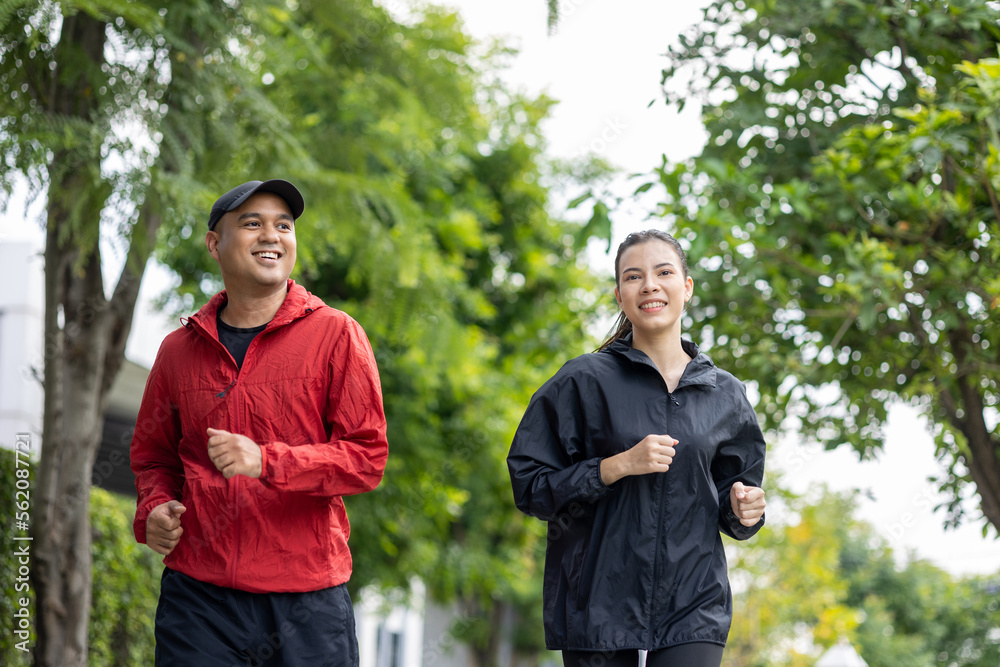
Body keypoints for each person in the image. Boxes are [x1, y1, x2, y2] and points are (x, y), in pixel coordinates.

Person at [130, 179, 388, 667]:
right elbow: (153, 457)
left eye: (283, 226)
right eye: (252, 224)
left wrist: (268, 461)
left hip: (306, 603)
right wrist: (156, 508)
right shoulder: (177, 351)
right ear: (215, 243)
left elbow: (366, 459)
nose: (271, 236)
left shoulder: (337, 335)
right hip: (198, 600)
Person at [507, 229, 766, 667]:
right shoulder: (582, 381)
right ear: (619, 295)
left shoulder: (726, 393)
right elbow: (530, 485)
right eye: (633, 276)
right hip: (597, 603)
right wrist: (615, 466)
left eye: (664, 272)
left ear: (686, 287)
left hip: (693, 603)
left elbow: (734, 496)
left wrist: (746, 510)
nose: (649, 285)